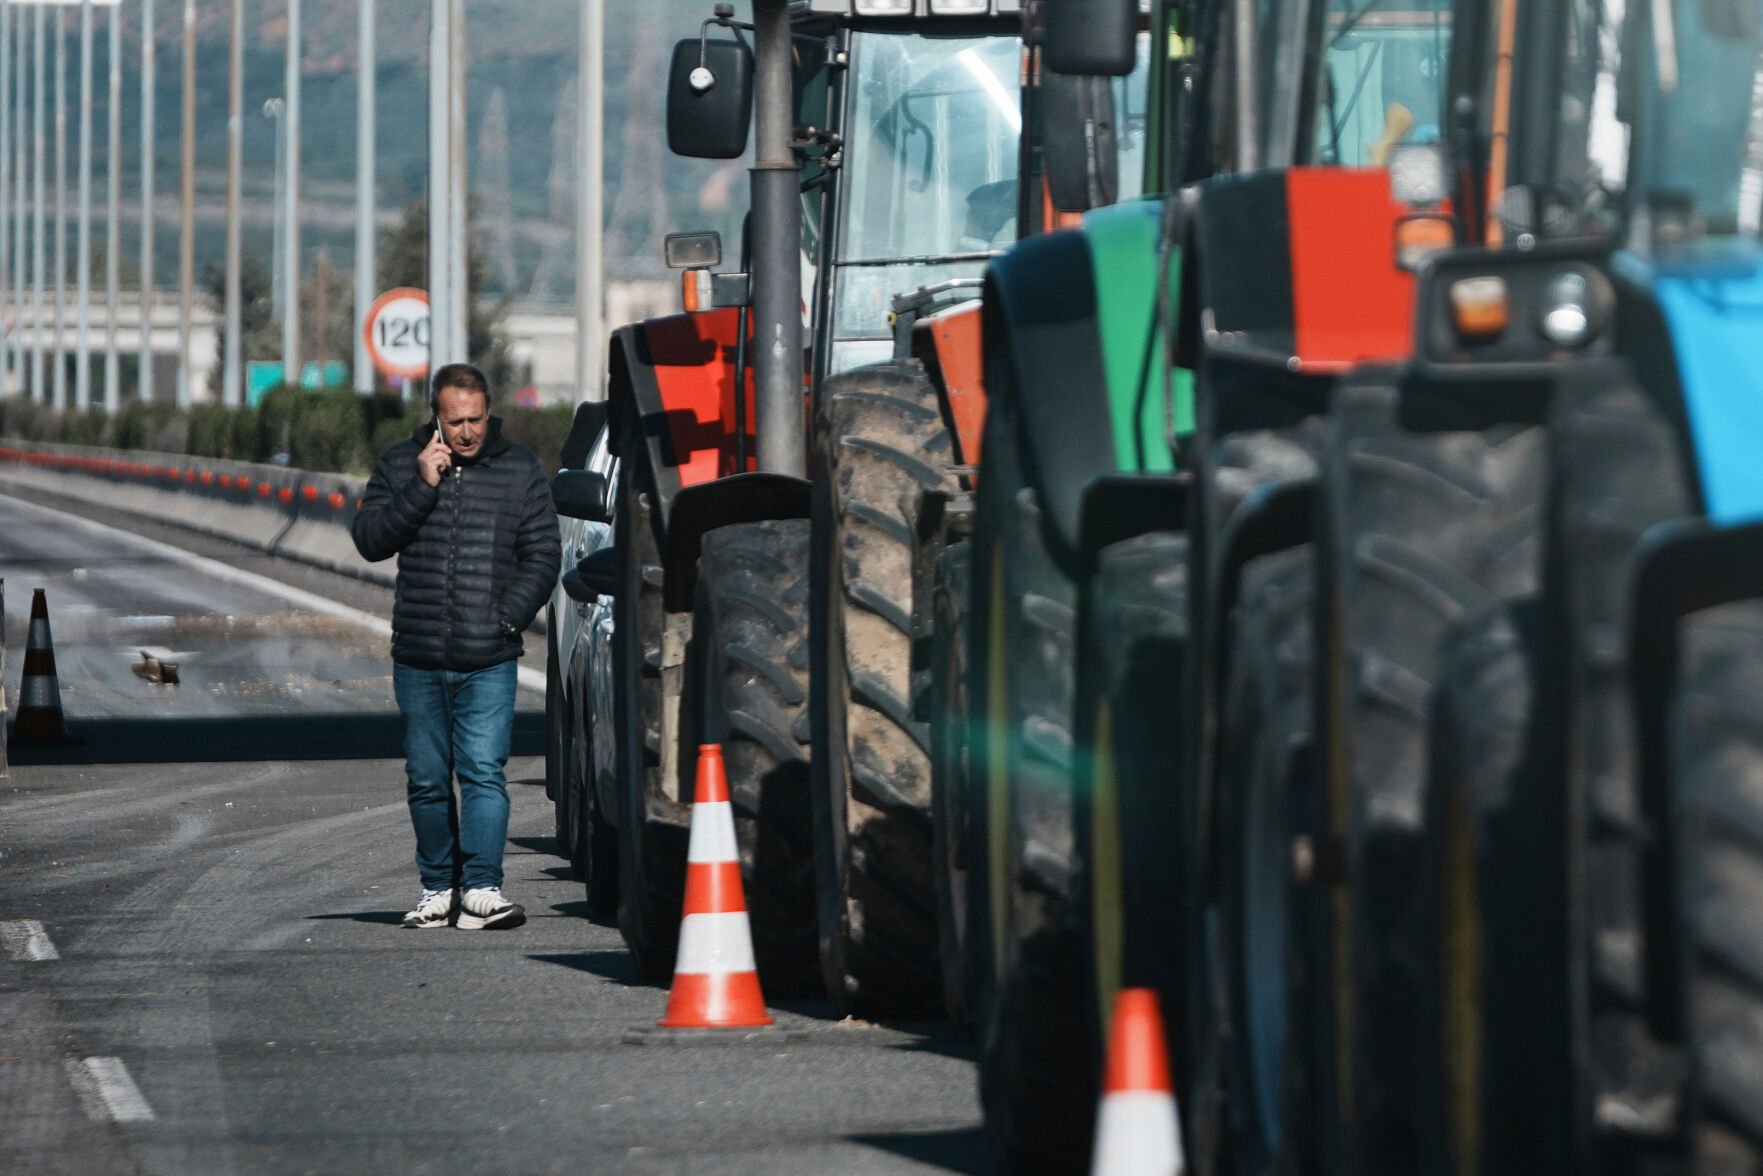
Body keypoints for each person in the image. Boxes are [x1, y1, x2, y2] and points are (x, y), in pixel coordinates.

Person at [352, 363, 562, 930]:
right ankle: (437, 888)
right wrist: (423, 485)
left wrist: (507, 619)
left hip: (488, 657)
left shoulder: (519, 471)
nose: (467, 432)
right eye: (455, 421)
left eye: (476, 419)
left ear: (489, 413)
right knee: (426, 777)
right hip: (418, 655)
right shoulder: (401, 464)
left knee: (483, 773)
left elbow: (543, 555)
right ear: (435, 419)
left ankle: (483, 889)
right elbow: (370, 541)